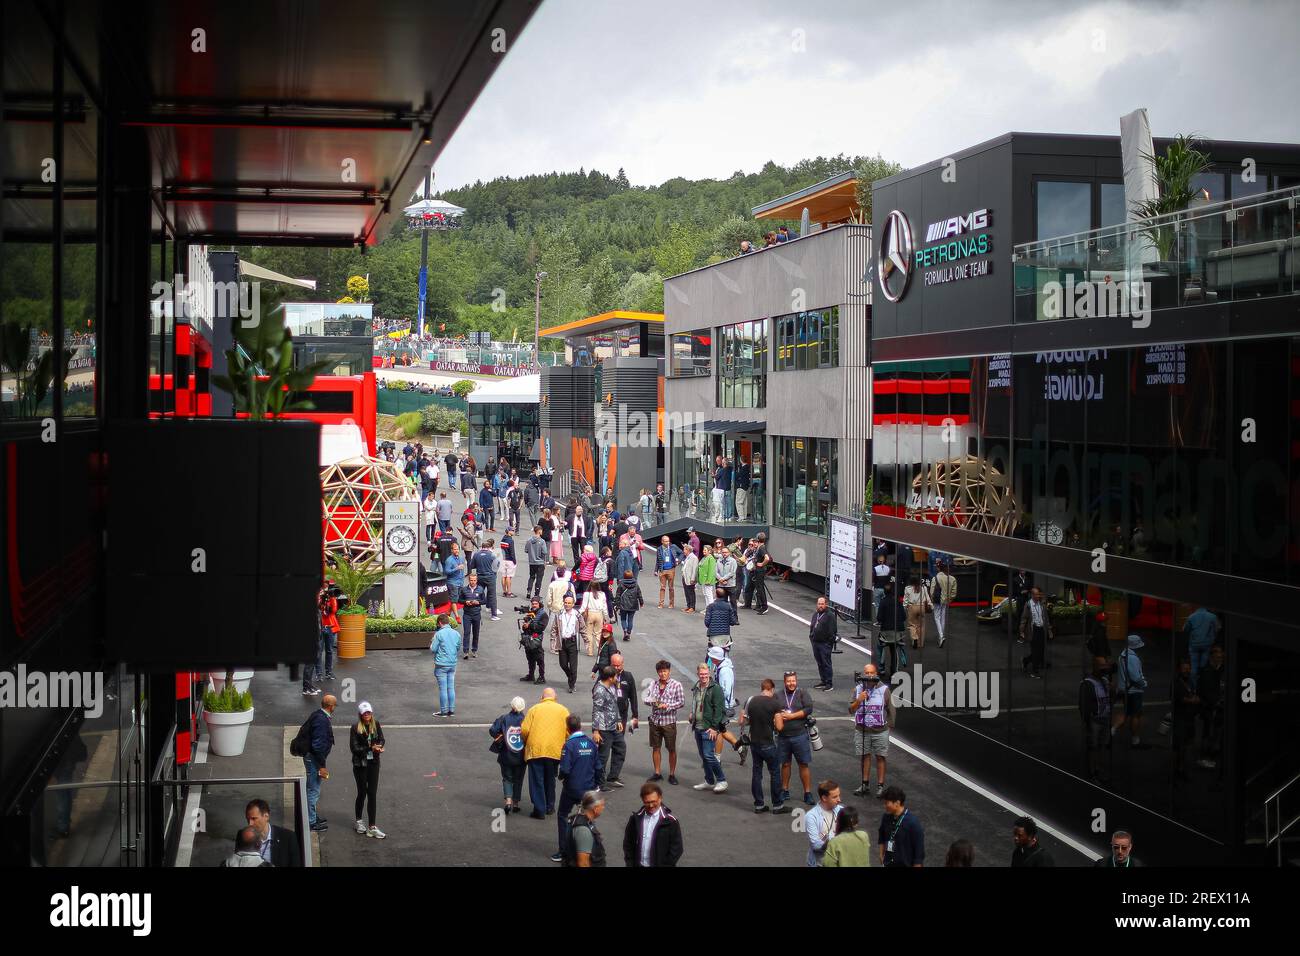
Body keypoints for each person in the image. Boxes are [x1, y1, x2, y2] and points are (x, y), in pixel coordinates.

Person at [551, 714, 599, 862]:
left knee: (563, 815)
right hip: (588, 788)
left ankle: (563, 851)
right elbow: (598, 766)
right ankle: (589, 851)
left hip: (572, 789)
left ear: (568, 728)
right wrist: (596, 785)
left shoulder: (569, 745)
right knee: (588, 819)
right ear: (580, 726)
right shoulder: (591, 744)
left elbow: (565, 769)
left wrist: (561, 777)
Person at [520, 688, 571, 819]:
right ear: (555, 697)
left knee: (537, 780)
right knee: (550, 779)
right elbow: (569, 732)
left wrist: (526, 742)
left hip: (536, 750)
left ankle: (539, 809)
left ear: (541, 697)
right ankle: (550, 806)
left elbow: (524, 730)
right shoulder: (563, 710)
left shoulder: (534, 709)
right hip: (554, 751)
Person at [849, 663, 895, 798]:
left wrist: (889, 727)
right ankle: (865, 784)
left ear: (876, 674)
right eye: (867, 672)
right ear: (863, 673)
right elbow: (851, 709)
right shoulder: (858, 689)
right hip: (862, 730)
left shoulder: (884, 689)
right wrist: (859, 700)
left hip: (880, 730)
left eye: (871, 672)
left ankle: (880, 786)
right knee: (864, 756)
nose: (869, 675)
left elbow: (891, 710)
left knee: (880, 757)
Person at [772, 671, 815, 809]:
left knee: (803, 764)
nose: (791, 683)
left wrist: (791, 716)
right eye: (789, 681)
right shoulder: (778, 695)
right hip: (783, 737)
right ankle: (785, 790)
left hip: (800, 735)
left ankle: (807, 792)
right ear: (784, 682)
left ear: (796, 681)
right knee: (785, 764)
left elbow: (809, 709)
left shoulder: (802, 693)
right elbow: (772, 710)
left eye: (793, 681)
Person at [740, 678, 784, 812]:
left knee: (757, 773)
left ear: (762, 688)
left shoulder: (750, 701)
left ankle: (759, 804)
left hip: (755, 744)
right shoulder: (775, 703)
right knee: (775, 773)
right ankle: (777, 805)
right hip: (768, 743)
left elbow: (743, 721)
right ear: (771, 689)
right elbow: (779, 726)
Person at [622, 782, 684, 867]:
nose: (651, 805)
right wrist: (630, 863)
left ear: (660, 798)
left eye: (653, 801)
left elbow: (676, 849)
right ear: (642, 800)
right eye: (647, 802)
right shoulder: (635, 819)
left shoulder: (670, 822)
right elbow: (628, 843)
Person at [350, 702, 387, 839]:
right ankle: (359, 820)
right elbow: (354, 748)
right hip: (361, 764)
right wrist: (370, 748)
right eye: (365, 713)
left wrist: (379, 746)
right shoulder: (355, 728)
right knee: (362, 792)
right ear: (360, 714)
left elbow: (382, 739)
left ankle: (372, 826)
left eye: (369, 713)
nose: (367, 715)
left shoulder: (376, 724)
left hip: (374, 763)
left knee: (372, 793)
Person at [690, 663, 729, 793]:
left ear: (709, 674)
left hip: (708, 728)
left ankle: (722, 780)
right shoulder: (696, 687)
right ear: (698, 674)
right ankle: (709, 780)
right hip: (698, 726)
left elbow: (719, 710)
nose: (704, 676)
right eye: (701, 674)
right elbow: (696, 702)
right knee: (703, 755)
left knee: (709, 755)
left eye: (706, 674)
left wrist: (714, 727)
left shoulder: (715, 689)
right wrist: (692, 713)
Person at [645, 660, 684, 785]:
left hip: (669, 722)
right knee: (656, 748)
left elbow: (681, 702)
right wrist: (654, 703)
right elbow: (646, 699)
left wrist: (667, 705)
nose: (663, 674)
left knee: (671, 749)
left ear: (669, 671)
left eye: (665, 671)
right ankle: (657, 773)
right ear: (658, 672)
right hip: (655, 721)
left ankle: (672, 774)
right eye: (660, 671)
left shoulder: (676, 685)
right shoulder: (653, 684)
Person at [303, 693, 336, 832]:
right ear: (330, 706)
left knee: (312, 788)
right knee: (313, 790)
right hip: (314, 759)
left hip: (311, 757)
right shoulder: (322, 720)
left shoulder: (317, 715)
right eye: (334, 705)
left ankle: (312, 816)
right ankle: (311, 822)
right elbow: (318, 745)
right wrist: (322, 766)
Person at [591, 665, 626, 791]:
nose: (617, 678)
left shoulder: (611, 687)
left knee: (621, 748)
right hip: (604, 728)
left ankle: (613, 777)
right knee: (603, 756)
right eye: (615, 676)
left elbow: (614, 704)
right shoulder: (600, 690)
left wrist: (618, 720)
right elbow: (597, 710)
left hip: (613, 726)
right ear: (610, 678)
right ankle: (599, 783)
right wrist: (596, 730)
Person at [490, 696, 528, 814]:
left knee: (507, 778)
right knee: (518, 779)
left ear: (512, 706)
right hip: (521, 756)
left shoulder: (504, 718)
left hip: (506, 755)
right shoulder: (526, 720)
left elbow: (493, 730)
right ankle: (516, 802)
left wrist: (500, 737)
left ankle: (508, 801)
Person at [1079, 656, 1112, 783]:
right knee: (1093, 747)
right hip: (1094, 720)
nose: (1104, 670)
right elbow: (1083, 705)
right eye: (1101, 667)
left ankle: (1097, 770)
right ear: (1095, 667)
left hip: (1104, 718)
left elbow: (1110, 700)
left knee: (1100, 746)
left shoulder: (1104, 681)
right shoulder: (1087, 683)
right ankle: (1091, 773)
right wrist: (1088, 720)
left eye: (1105, 667)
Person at [244, 798, 301, 867]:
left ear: (266, 816)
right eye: (248, 819)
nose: (250, 824)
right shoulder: (245, 839)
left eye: (254, 818)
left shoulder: (287, 837)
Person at [878, 786, 925, 867]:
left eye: (886, 803)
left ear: (897, 803)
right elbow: (882, 836)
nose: (884, 806)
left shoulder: (913, 824)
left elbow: (918, 853)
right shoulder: (886, 817)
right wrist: (881, 855)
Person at [1197, 645, 1226, 769]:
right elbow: (1205, 691)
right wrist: (1216, 702)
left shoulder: (1220, 670)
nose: (1220, 659)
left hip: (1216, 707)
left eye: (1221, 657)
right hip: (1210, 708)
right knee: (1209, 733)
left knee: (1215, 732)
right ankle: (1205, 757)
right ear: (1212, 657)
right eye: (1217, 657)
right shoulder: (1207, 671)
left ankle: (1211, 754)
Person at [562, 790, 607, 868]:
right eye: (602, 805)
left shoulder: (579, 818)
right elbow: (583, 863)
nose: (603, 808)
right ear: (595, 809)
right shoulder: (583, 831)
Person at [804, 779, 844, 867]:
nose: (839, 800)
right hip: (820, 864)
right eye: (835, 797)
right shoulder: (811, 816)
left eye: (839, 796)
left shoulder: (841, 810)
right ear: (824, 798)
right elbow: (815, 845)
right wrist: (834, 841)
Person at [430, 613, 462, 717]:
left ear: (439, 623)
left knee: (443, 688)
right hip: (452, 663)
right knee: (451, 687)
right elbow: (457, 647)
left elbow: (433, 649)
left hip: (441, 664)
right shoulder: (456, 634)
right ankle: (451, 710)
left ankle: (443, 711)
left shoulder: (439, 634)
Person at [1019, 586, 1053, 677]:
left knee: (1040, 651)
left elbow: (1046, 618)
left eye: (1039, 594)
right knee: (1035, 651)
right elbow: (1024, 618)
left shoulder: (1042, 604)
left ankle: (1025, 660)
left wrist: (1049, 630)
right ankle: (1035, 671)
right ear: (1032, 595)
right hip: (1033, 630)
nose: (1039, 596)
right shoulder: (1028, 605)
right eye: (1037, 594)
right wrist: (1021, 631)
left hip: (1041, 629)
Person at [876, 581, 907, 679]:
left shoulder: (883, 602)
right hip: (897, 632)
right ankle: (894, 671)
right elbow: (903, 617)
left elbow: (879, 618)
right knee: (894, 650)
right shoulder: (898, 602)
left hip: (886, 632)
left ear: (884, 592)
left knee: (881, 647)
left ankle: (881, 668)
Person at [1183, 607, 1220, 683]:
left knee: (1194, 665)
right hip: (1207, 643)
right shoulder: (1212, 616)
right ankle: (1202, 682)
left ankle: (1194, 686)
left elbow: (1186, 629)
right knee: (1203, 664)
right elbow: (1217, 628)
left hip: (1194, 644)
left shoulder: (1191, 616)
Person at [555, 594, 583, 694]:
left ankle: (572, 685)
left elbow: (582, 628)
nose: (567, 604)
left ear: (573, 604)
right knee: (563, 664)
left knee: (573, 666)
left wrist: (587, 641)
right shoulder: (559, 614)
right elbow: (554, 629)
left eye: (569, 603)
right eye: (565, 603)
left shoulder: (577, 615)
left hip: (572, 642)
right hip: (562, 642)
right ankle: (570, 676)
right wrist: (553, 642)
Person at [519, 597, 549, 684]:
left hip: (536, 639)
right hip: (528, 638)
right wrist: (524, 626)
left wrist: (530, 626)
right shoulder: (530, 613)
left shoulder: (543, 614)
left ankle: (541, 677)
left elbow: (541, 627)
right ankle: (531, 675)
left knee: (539, 658)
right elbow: (526, 626)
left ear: (539, 604)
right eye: (533, 604)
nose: (534, 605)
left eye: (536, 603)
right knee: (530, 658)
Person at [470, 538, 502, 621]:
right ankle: (494, 615)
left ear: (482, 547)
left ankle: (474, 612)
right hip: (490, 577)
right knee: (492, 595)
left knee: (478, 594)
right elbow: (497, 566)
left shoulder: (476, 554)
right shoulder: (492, 555)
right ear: (488, 547)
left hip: (480, 576)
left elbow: (472, 565)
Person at [810, 596, 837, 690]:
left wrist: (829, 644)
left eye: (822, 604)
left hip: (825, 644)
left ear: (826, 604)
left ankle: (829, 683)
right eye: (819, 604)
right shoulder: (815, 614)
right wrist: (812, 638)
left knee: (826, 663)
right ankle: (823, 681)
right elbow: (812, 627)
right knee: (820, 663)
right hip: (815, 643)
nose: (820, 606)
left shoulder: (830, 616)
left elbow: (833, 631)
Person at [459, 570, 486, 660]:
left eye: (474, 580)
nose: (473, 582)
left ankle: (474, 650)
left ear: (476, 580)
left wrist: (478, 602)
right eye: (471, 580)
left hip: (476, 615)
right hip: (467, 614)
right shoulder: (464, 589)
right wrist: (465, 602)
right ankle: (466, 652)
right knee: (466, 633)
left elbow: (484, 601)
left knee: (476, 633)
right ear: (468, 580)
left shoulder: (481, 589)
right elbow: (459, 600)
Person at [930, 561, 957, 648]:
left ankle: (941, 636)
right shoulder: (952, 578)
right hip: (946, 601)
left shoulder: (935, 578)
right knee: (943, 617)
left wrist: (931, 599)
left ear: (938, 568)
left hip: (937, 601)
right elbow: (954, 592)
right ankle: (941, 636)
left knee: (937, 617)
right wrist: (950, 598)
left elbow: (931, 592)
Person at [742, 533, 771, 613]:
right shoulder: (761, 547)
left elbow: (767, 558)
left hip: (760, 570)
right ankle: (763, 606)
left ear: (758, 539)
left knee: (760, 588)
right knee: (759, 588)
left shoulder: (761, 548)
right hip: (758, 570)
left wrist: (761, 564)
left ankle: (764, 607)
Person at [578, 581, 608, 657]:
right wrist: (606, 616)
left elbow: (583, 606)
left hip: (590, 614)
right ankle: (600, 650)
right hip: (599, 614)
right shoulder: (602, 594)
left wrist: (578, 614)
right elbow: (604, 607)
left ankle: (590, 651)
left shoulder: (587, 594)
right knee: (598, 633)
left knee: (589, 633)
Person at [902, 573, 932, 649]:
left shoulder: (907, 588)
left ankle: (914, 638)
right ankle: (920, 644)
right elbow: (927, 597)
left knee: (912, 625)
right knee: (921, 626)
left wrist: (904, 608)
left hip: (912, 607)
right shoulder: (923, 587)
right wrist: (930, 605)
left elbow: (905, 600)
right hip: (922, 607)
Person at [654, 535, 683, 608]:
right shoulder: (659, 549)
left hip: (671, 570)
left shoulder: (673, 547)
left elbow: (681, 553)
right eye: (666, 541)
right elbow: (658, 560)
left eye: (668, 541)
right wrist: (655, 570)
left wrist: (678, 561)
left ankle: (671, 604)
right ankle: (661, 604)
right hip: (662, 570)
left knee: (671, 588)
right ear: (662, 541)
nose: (667, 543)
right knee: (662, 588)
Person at [614, 569, 643, 642]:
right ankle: (629, 633)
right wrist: (641, 602)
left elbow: (618, 595)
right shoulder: (635, 584)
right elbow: (639, 593)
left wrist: (617, 605)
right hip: (633, 604)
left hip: (623, 604)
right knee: (630, 619)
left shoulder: (621, 584)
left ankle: (625, 630)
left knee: (623, 618)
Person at [525, 525, 549, 599]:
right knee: (539, 578)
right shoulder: (542, 541)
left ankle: (529, 591)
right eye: (541, 530)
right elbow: (545, 552)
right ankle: (536, 594)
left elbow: (526, 550)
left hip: (532, 562)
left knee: (531, 577)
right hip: (540, 562)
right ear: (539, 531)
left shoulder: (529, 540)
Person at [714, 546, 739, 610]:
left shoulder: (733, 561)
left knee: (733, 603)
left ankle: (734, 619)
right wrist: (720, 579)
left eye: (726, 552)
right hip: (721, 585)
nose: (724, 554)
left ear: (729, 553)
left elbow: (732, 572)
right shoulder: (719, 560)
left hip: (730, 585)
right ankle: (724, 618)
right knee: (722, 603)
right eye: (723, 552)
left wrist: (723, 579)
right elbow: (715, 572)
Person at [443, 542, 467, 606]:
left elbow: (462, 570)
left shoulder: (461, 558)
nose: (456, 551)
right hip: (453, 583)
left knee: (456, 600)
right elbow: (446, 571)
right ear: (452, 550)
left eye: (457, 549)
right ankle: (457, 616)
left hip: (460, 582)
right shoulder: (449, 560)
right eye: (455, 549)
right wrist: (456, 568)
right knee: (454, 601)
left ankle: (448, 613)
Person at [681, 543, 699, 613]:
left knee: (691, 592)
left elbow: (695, 569)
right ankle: (688, 606)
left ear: (688, 550)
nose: (683, 551)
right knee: (686, 592)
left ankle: (692, 607)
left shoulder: (694, 558)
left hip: (690, 578)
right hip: (685, 577)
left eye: (684, 550)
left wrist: (692, 579)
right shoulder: (688, 557)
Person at [499, 528, 517, 597]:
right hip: (509, 560)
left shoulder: (502, 539)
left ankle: (504, 591)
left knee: (503, 576)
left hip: (503, 560)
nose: (513, 531)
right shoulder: (510, 540)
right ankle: (509, 592)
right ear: (509, 532)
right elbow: (512, 552)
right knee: (508, 576)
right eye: (512, 530)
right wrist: (514, 561)